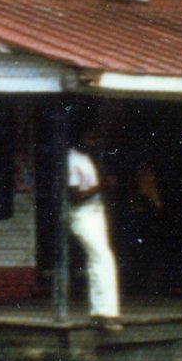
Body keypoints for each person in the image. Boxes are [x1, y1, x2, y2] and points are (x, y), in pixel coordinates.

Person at [67, 125, 122, 330]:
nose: (93, 142)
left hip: (96, 214)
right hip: (81, 216)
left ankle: (102, 311)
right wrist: (102, 186)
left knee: (99, 260)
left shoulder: (87, 158)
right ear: (78, 138)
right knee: (102, 257)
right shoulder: (71, 159)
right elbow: (74, 196)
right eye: (89, 137)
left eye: (94, 138)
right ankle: (105, 312)